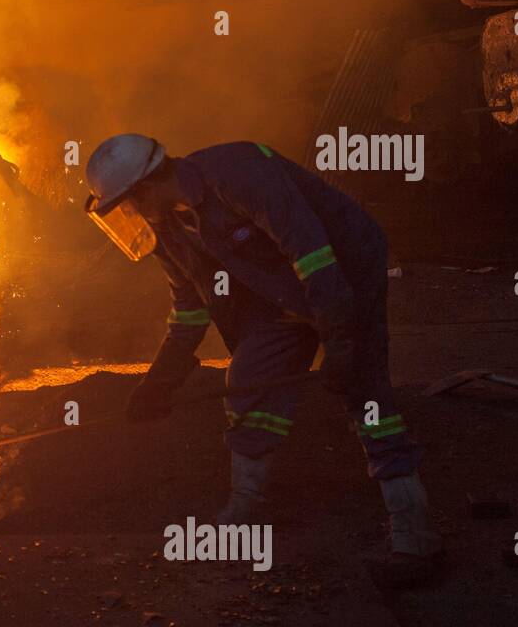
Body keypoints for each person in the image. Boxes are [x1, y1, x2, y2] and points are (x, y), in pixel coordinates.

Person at [83, 134, 442, 580]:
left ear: (146, 188)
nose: (128, 216)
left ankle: (414, 538)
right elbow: (190, 307)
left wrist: (341, 340)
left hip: (345, 272)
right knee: (248, 378)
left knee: (365, 395)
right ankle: (242, 514)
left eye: (125, 204)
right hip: (280, 289)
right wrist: (161, 381)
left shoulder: (238, 171)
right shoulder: (171, 230)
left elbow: (311, 251)